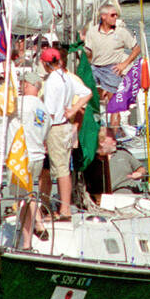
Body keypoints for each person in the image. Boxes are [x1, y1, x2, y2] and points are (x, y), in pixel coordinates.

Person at [39, 47, 88, 220]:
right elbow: (87, 93)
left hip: (56, 128)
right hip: (66, 126)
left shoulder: (52, 81)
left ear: (45, 64)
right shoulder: (66, 77)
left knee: (60, 170)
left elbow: (50, 112)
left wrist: (43, 137)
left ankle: (64, 210)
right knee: (63, 168)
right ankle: (62, 207)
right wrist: (73, 109)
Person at [83, 4, 141, 129]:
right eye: (112, 15)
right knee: (86, 99)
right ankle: (93, 131)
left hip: (112, 69)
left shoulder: (121, 32)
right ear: (103, 16)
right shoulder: (92, 31)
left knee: (114, 105)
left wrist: (124, 64)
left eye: (116, 15)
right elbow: (88, 52)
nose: (116, 17)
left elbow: (136, 49)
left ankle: (113, 136)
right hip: (95, 68)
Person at [13, 68, 52, 250]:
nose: (21, 87)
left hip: (24, 157)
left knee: (23, 199)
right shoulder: (44, 108)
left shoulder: (22, 103)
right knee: (28, 194)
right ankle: (37, 223)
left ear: (27, 85)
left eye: (22, 84)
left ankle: (28, 240)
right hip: (38, 155)